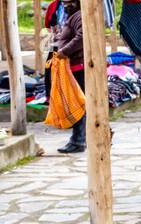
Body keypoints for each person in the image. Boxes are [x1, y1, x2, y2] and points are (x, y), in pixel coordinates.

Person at [49, 0, 87, 153]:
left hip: (77, 67)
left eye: (67, 2)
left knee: (77, 104)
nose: (64, 5)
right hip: (74, 66)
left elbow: (81, 37)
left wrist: (64, 51)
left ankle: (78, 141)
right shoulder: (74, 16)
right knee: (79, 103)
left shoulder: (78, 16)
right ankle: (81, 138)